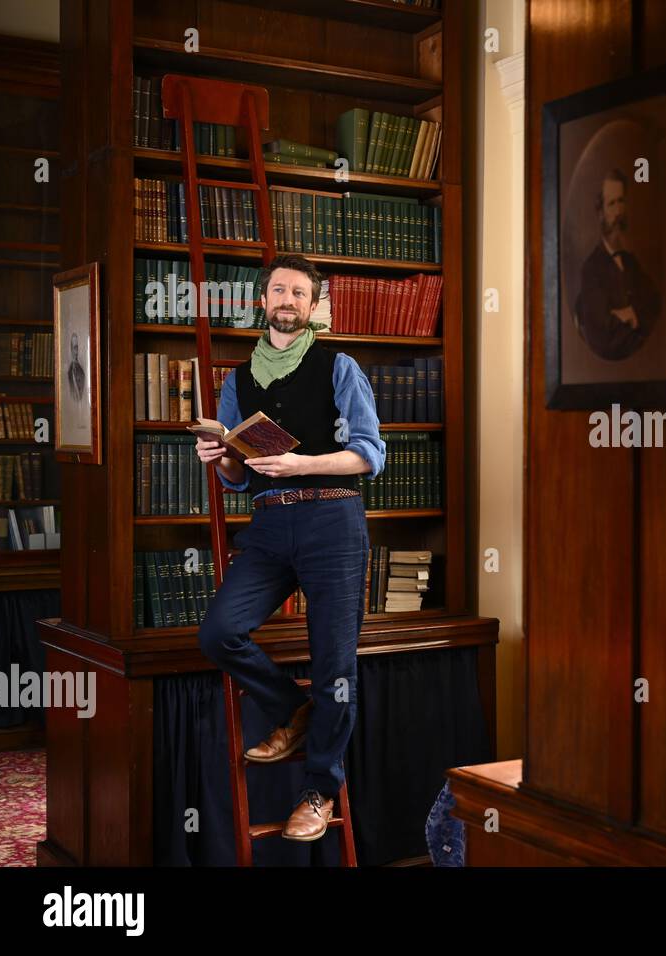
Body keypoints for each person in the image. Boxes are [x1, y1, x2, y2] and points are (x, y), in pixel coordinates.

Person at [194, 253, 385, 842]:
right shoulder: (237, 380)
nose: (288, 300)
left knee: (334, 665)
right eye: (279, 290)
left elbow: (369, 454)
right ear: (263, 299)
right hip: (271, 524)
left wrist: (302, 462)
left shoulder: (339, 367)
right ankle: (293, 712)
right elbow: (238, 475)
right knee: (219, 632)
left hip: (333, 519)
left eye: (300, 293)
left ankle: (319, 791)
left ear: (313, 306)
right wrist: (219, 456)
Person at [573, 168, 661, 360]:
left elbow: (655, 304)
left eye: (621, 201)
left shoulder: (631, 262)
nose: (619, 211)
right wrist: (637, 317)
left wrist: (628, 314)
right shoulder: (591, 269)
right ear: (600, 213)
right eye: (611, 204)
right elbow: (602, 334)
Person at [66, 332, 86, 405]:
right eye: (74, 348)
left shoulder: (81, 371)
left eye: (77, 348)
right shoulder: (69, 371)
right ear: (71, 349)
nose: (76, 351)